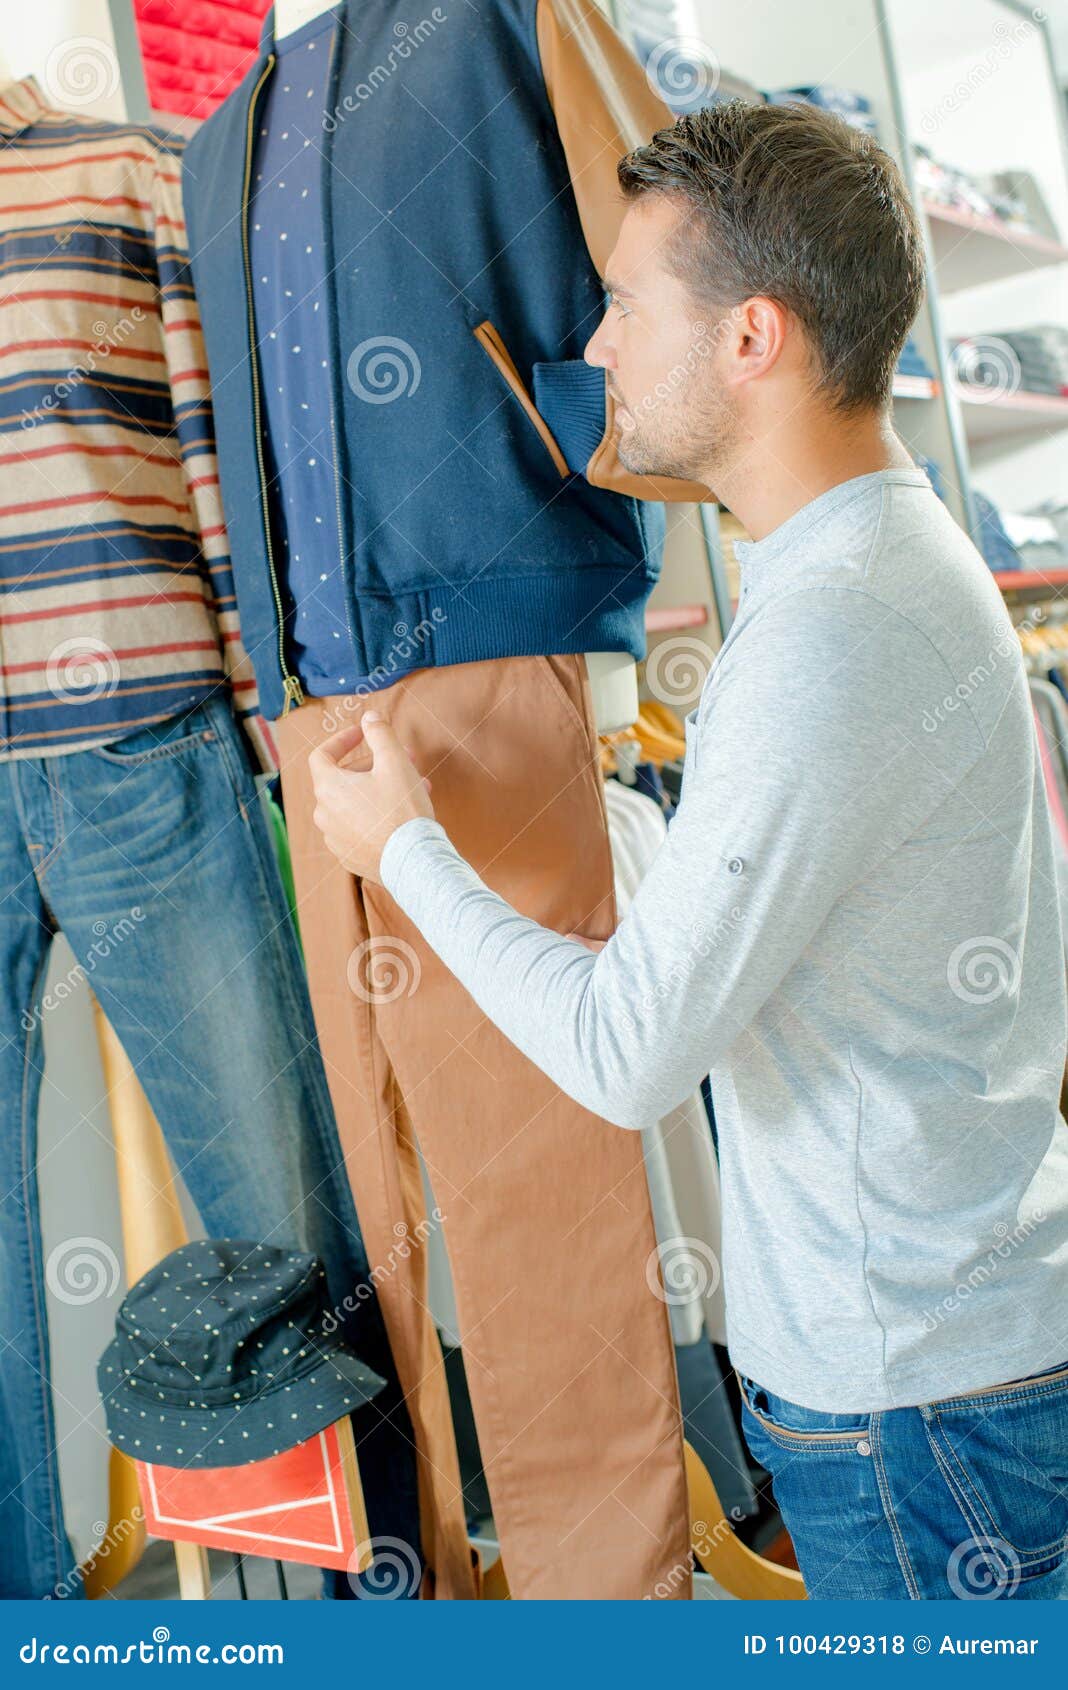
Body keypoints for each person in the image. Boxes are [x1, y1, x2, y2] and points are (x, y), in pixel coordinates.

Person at [308, 100, 1068, 1600]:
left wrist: (407, 852)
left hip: (910, 1415)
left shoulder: (831, 636)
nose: (592, 347)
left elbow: (626, 1048)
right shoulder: (873, 563)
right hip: (944, 1376)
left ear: (752, 340)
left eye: (625, 306)